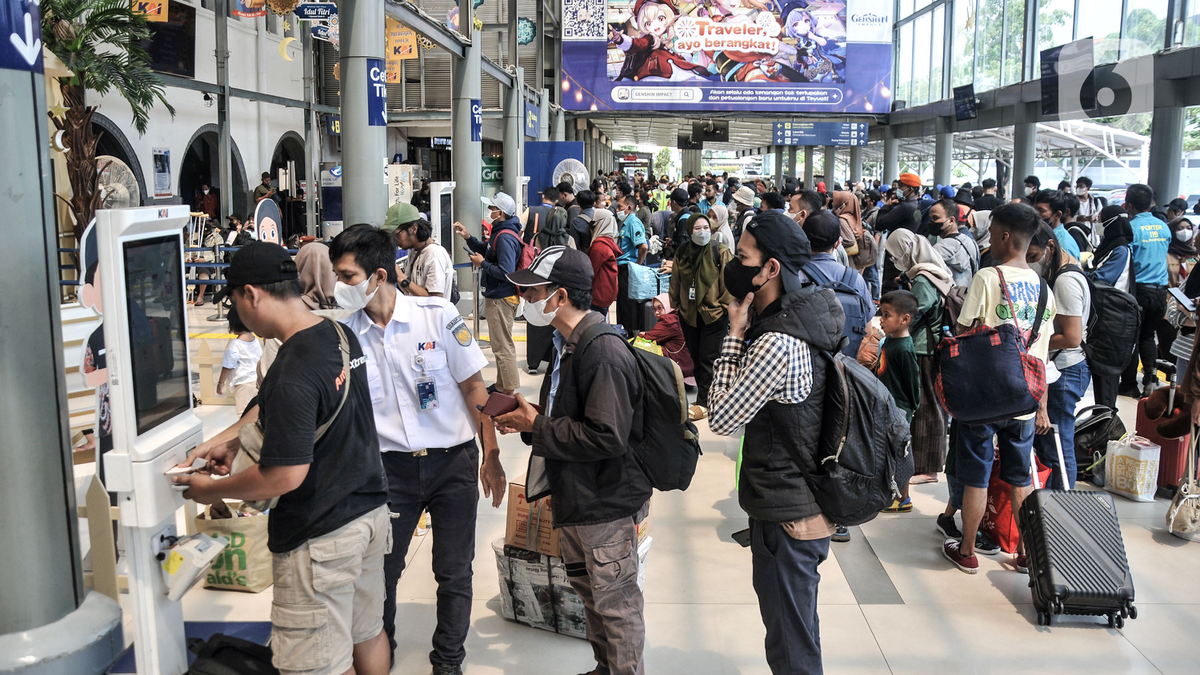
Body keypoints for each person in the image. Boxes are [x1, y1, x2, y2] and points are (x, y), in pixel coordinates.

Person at [172, 242, 391, 675]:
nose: (240, 315)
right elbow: (277, 407)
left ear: (251, 294)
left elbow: (284, 476)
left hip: (320, 533)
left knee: (318, 662)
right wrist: (228, 441)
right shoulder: (335, 334)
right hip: (367, 513)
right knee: (366, 632)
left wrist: (211, 491)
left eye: (236, 302)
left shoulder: (293, 366)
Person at [328, 225, 506, 675]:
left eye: (346, 276)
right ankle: (379, 658)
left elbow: (474, 389)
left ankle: (448, 663)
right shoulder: (344, 336)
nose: (338, 286)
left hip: (453, 464)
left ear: (379, 275)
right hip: (388, 474)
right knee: (381, 576)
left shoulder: (438, 316)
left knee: (454, 572)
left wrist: (492, 457)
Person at [493, 246, 651, 675]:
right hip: (577, 499)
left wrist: (538, 426)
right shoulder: (567, 344)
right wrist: (529, 421)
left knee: (616, 603)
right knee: (591, 595)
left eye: (533, 293)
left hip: (605, 503)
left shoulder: (602, 352)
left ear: (559, 297)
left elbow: (608, 436)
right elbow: (565, 419)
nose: (526, 302)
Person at [707, 209, 841, 675]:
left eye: (743, 257)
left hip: (789, 514)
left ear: (771, 269)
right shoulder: (806, 312)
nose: (734, 265)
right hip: (794, 500)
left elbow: (722, 418)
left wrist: (733, 336)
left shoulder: (775, 342)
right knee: (794, 628)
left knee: (790, 640)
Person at [944, 203, 1056, 575]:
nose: (989, 240)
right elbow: (1041, 351)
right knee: (1019, 475)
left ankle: (968, 550)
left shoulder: (988, 278)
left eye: (992, 234)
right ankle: (1023, 552)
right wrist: (1040, 404)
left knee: (977, 475)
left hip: (984, 397)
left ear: (1005, 236)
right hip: (1024, 398)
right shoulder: (1044, 288)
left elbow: (964, 331)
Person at [884, 229, 954, 486]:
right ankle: (924, 465)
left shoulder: (924, 279)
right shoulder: (935, 271)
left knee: (926, 408)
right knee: (928, 406)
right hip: (929, 349)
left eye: (895, 254)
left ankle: (928, 468)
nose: (894, 260)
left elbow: (913, 316)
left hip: (924, 350)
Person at [1025, 223, 1090, 490]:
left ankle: (1060, 511)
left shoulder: (1065, 280)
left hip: (1064, 370)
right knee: (1051, 445)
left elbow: (1072, 337)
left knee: (1058, 448)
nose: (1030, 264)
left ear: (1049, 247)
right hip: (1062, 368)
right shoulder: (1064, 270)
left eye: (1032, 256)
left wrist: (1034, 343)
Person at [456, 192, 523, 394]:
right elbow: (487, 250)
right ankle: (502, 385)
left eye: (492, 208)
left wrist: (482, 264)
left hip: (501, 297)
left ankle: (509, 389)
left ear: (500, 212)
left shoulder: (504, 237)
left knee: (502, 347)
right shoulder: (502, 231)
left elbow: (506, 271)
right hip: (499, 295)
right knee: (500, 344)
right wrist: (468, 237)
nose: (490, 211)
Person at [670, 212, 734, 421]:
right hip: (689, 314)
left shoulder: (720, 252)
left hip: (713, 314)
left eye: (706, 228)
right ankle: (707, 397)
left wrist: (723, 306)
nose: (702, 232)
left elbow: (730, 283)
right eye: (697, 228)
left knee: (709, 358)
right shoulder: (683, 252)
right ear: (690, 231)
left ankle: (705, 402)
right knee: (696, 357)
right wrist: (676, 305)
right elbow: (676, 279)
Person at [871, 290, 921, 512]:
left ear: (905, 319)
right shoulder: (889, 341)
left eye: (886, 315)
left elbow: (913, 381)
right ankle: (900, 495)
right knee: (892, 452)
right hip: (888, 406)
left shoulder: (903, 348)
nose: (881, 320)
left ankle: (901, 497)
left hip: (899, 409)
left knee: (899, 453)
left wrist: (913, 405)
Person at [1119, 184, 1171, 399]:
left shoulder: (1131, 227)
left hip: (1139, 290)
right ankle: (1150, 377)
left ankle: (1130, 384)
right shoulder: (1163, 226)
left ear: (1129, 205)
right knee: (1148, 336)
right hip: (1161, 291)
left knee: (1131, 338)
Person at [801, 211, 873, 357]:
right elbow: (867, 329)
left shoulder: (794, 276)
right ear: (838, 243)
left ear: (803, 239)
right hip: (842, 366)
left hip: (805, 366)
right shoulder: (855, 279)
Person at [386, 202, 454, 299]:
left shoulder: (434, 254)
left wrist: (402, 277)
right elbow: (409, 290)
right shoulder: (413, 250)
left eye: (396, 235)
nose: (394, 240)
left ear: (413, 229)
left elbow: (435, 299)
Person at [216, 305, 262, 417]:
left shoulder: (235, 345)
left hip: (243, 384)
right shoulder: (254, 340)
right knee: (257, 410)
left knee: (243, 413)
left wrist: (220, 383)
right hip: (257, 381)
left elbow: (227, 366)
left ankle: (246, 433)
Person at [615, 193, 651, 332]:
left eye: (620, 207)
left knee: (628, 306)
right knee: (622, 304)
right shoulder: (626, 222)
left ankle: (630, 335)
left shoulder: (633, 222)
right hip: (623, 268)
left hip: (629, 268)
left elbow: (643, 246)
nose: (617, 210)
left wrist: (637, 264)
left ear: (629, 207)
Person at [641, 293, 694, 378]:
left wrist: (642, 334)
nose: (657, 312)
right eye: (654, 309)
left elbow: (647, 338)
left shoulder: (668, 321)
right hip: (689, 366)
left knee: (641, 347)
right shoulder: (678, 316)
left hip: (678, 368)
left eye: (660, 308)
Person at [930, 198, 979, 288]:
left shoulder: (942, 247)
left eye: (935, 218)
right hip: (966, 296)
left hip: (950, 299)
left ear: (951, 220)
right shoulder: (970, 241)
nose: (931, 222)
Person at [588, 208, 622, 315]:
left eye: (594, 223)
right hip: (607, 291)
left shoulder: (599, 247)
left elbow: (591, 272)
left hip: (598, 294)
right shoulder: (609, 242)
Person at [1033, 189, 1082, 260]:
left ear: (1058, 215)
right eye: (1034, 209)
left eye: (1041, 211)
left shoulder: (1065, 245)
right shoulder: (1040, 235)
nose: (1035, 214)